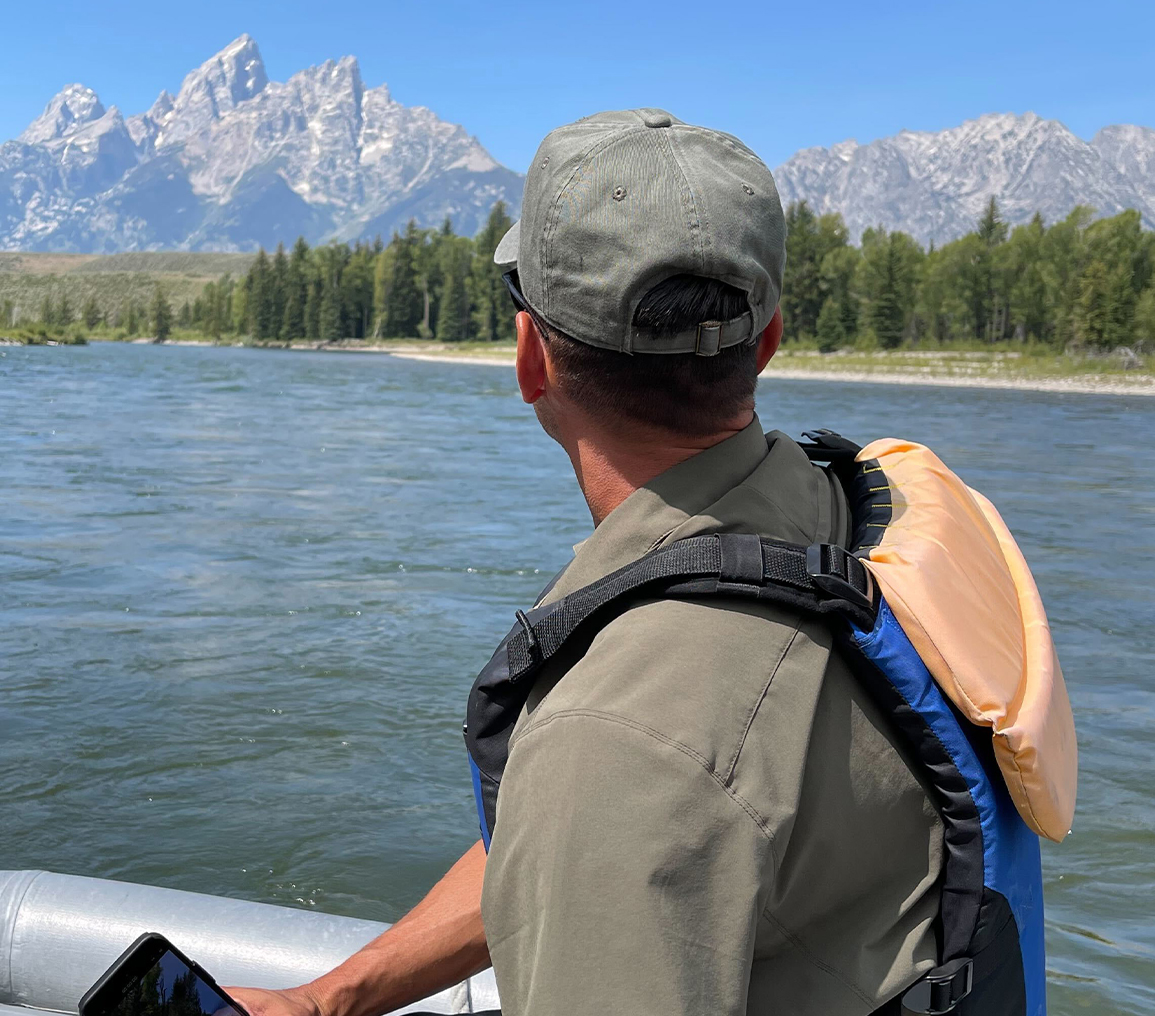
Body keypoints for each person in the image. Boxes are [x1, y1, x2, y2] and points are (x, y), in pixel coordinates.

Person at [230, 109, 972, 1016]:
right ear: (768, 342)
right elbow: (610, 834)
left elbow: (625, 794)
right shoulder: (846, 510)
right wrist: (334, 998)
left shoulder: (620, 736)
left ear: (530, 359)